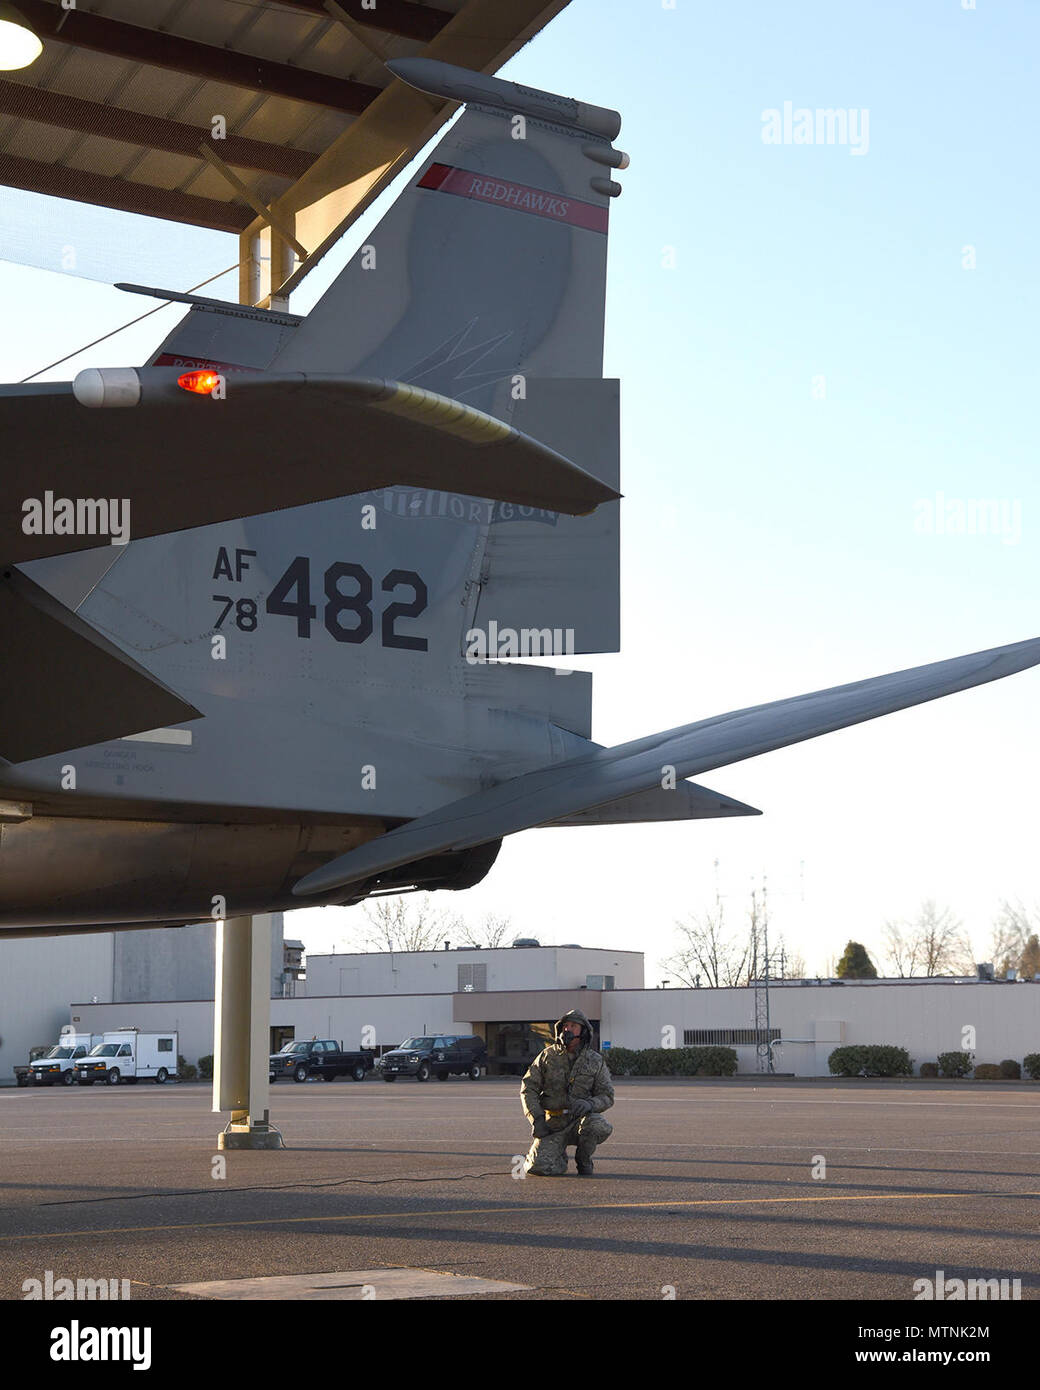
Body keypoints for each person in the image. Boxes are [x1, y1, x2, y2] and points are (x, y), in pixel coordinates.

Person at [520, 1008, 613, 1176]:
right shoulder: (547, 1056)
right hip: (552, 1124)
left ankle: (583, 1159)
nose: (567, 1030)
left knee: (597, 1125)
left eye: (573, 1026)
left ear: (583, 1031)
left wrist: (590, 1104)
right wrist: (537, 1119)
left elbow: (607, 1095)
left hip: (580, 1122)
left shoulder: (594, 1061)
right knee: (538, 1168)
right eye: (565, 1026)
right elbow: (529, 1088)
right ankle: (558, 1156)